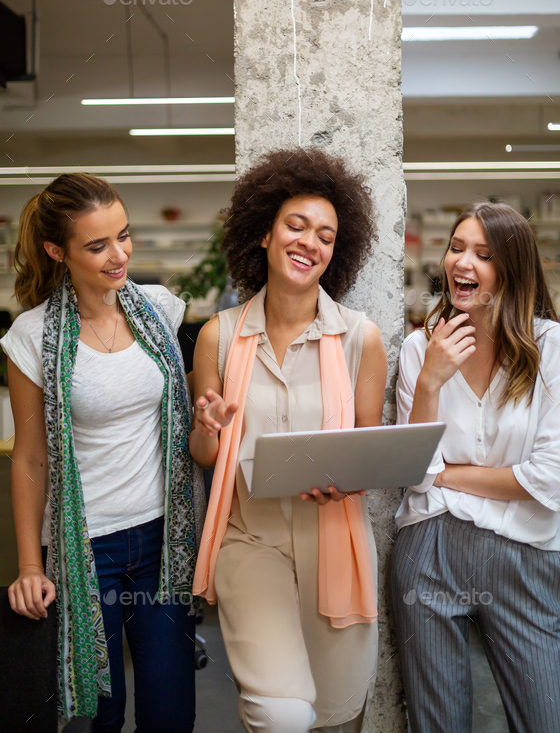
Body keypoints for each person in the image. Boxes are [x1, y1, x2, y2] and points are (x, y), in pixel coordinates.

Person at [189, 148, 388, 733]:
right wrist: (206, 428)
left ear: (336, 252)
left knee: (336, 714)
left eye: (325, 234)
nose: (309, 242)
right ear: (264, 236)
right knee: (280, 713)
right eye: (296, 226)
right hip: (252, 541)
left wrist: (346, 475)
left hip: (335, 540)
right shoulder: (218, 336)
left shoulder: (359, 338)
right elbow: (204, 454)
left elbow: (369, 452)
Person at [1, 173, 205, 732]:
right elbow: (30, 458)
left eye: (123, 235)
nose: (119, 255)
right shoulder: (31, 336)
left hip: (163, 539)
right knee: (101, 713)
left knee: (170, 712)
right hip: (84, 549)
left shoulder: (160, 310)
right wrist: (27, 566)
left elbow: (190, 413)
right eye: (97, 245)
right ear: (56, 250)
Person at [391, 201, 560, 733]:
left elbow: (547, 480)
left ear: (512, 269)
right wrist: (430, 380)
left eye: (483, 254)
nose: (462, 263)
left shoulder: (552, 347)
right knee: (438, 725)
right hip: (429, 551)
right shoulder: (418, 349)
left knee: (549, 720)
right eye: (456, 248)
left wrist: (446, 472)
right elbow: (412, 472)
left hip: (523, 556)